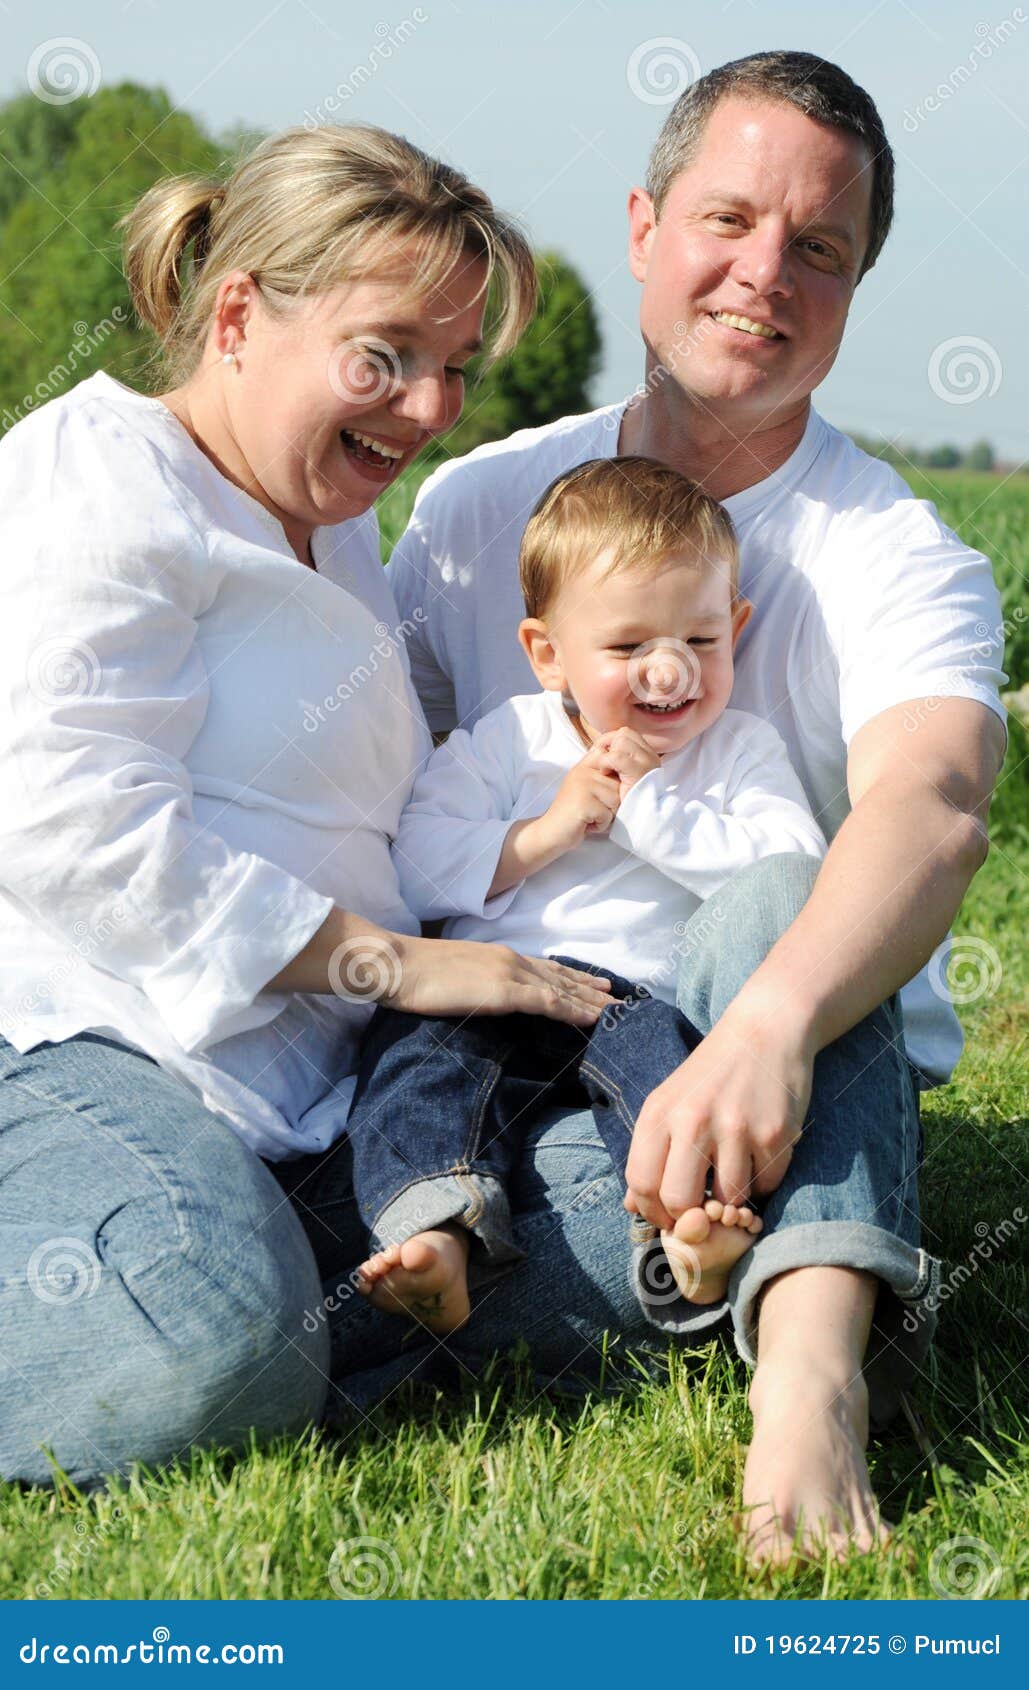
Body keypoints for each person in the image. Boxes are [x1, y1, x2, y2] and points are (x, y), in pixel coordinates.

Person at [384, 50, 1008, 1561]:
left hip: (769, 1071)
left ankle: (811, 1369)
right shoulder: (482, 510)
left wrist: (765, 1029)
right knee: (396, 1182)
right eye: (727, 220)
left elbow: (927, 803)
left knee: (789, 892)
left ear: (855, 286)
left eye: (818, 249)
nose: (761, 275)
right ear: (645, 226)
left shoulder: (894, 553)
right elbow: (395, 794)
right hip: (523, 1053)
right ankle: (626, 1258)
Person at [0, 123, 616, 1489]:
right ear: (237, 314)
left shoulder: (337, 529)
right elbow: (70, 828)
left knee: (624, 1233)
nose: (432, 405)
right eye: (388, 353)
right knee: (213, 1328)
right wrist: (393, 960)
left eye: (456, 367)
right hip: (90, 1049)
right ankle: (227, 1323)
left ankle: (302, 1309)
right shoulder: (97, 473)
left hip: (320, 1100)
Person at [350, 456, 826, 1334]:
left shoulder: (739, 752)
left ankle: (686, 1222)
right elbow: (412, 866)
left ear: (737, 626)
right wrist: (547, 831)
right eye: (627, 646)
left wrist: (650, 810)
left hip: (635, 995)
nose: (669, 671)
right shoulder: (509, 744)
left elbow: (786, 873)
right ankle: (437, 1223)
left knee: (672, 1083)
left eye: (700, 640)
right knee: (415, 1057)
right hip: (495, 983)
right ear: (547, 655)